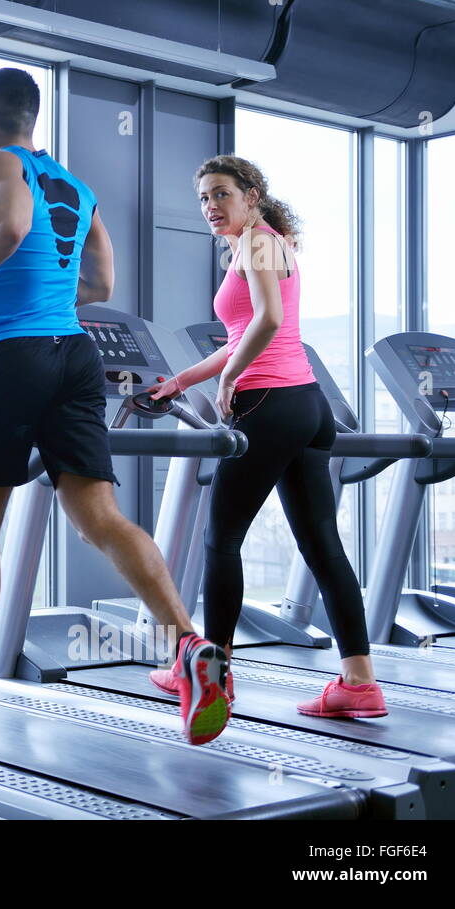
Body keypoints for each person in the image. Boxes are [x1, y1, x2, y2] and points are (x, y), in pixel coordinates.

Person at [0, 68, 231, 745]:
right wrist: (42, 295)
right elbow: (102, 280)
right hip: (73, 353)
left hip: (7, 355)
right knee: (100, 516)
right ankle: (186, 645)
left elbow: (6, 223)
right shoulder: (76, 186)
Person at [148, 155, 386, 719]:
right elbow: (243, 332)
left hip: (268, 402)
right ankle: (359, 682)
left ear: (252, 195)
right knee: (322, 545)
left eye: (222, 193)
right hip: (305, 404)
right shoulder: (261, 242)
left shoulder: (258, 242)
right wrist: (184, 379)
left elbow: (270, 320)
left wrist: (231, 378)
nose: (211, 206)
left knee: (221, 538)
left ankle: (214, 678)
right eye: (204, 197)